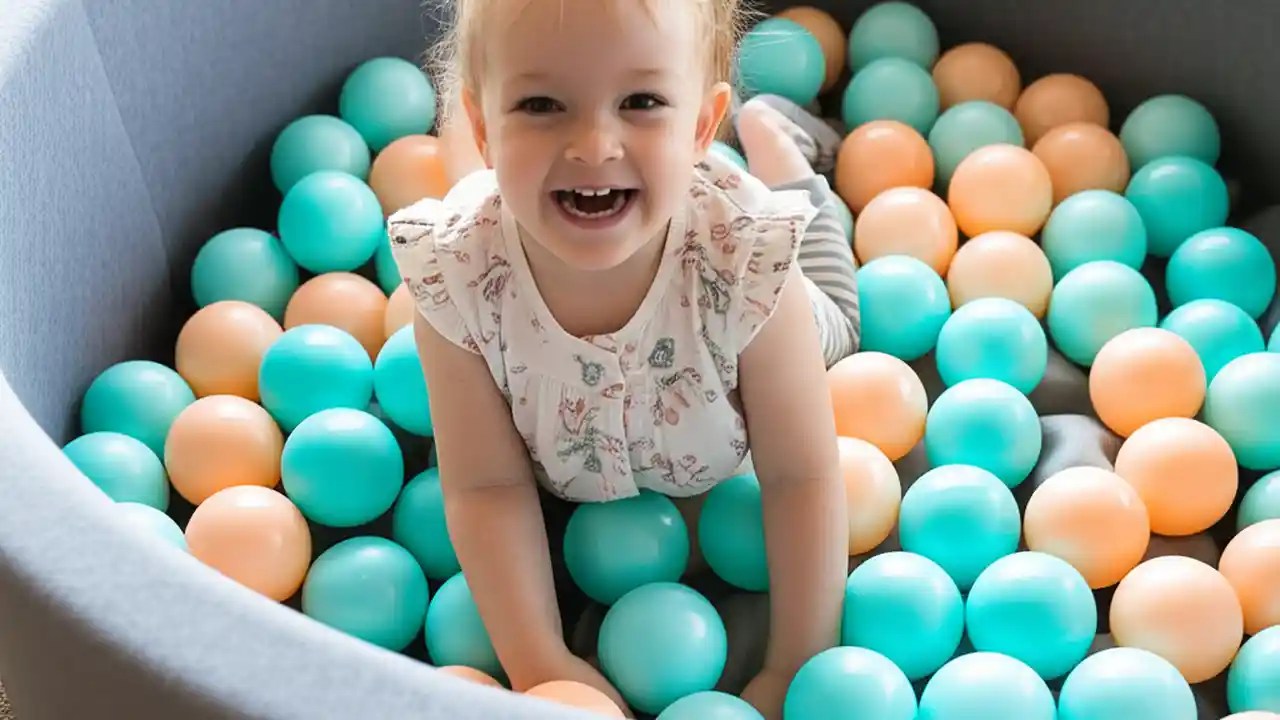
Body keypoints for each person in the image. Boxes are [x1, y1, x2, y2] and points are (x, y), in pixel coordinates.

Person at [387, 1, 861, 716]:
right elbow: (485, 488)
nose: (594, 144)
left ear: (700, 124)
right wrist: (541, 660)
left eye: (641, 101)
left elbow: (801, 476)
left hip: (757, 285)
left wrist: (794, 661)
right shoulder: (454, 278)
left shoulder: (746, 269)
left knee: (845, 320)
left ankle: (777, 144)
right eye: (542, 104)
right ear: (484, 128)